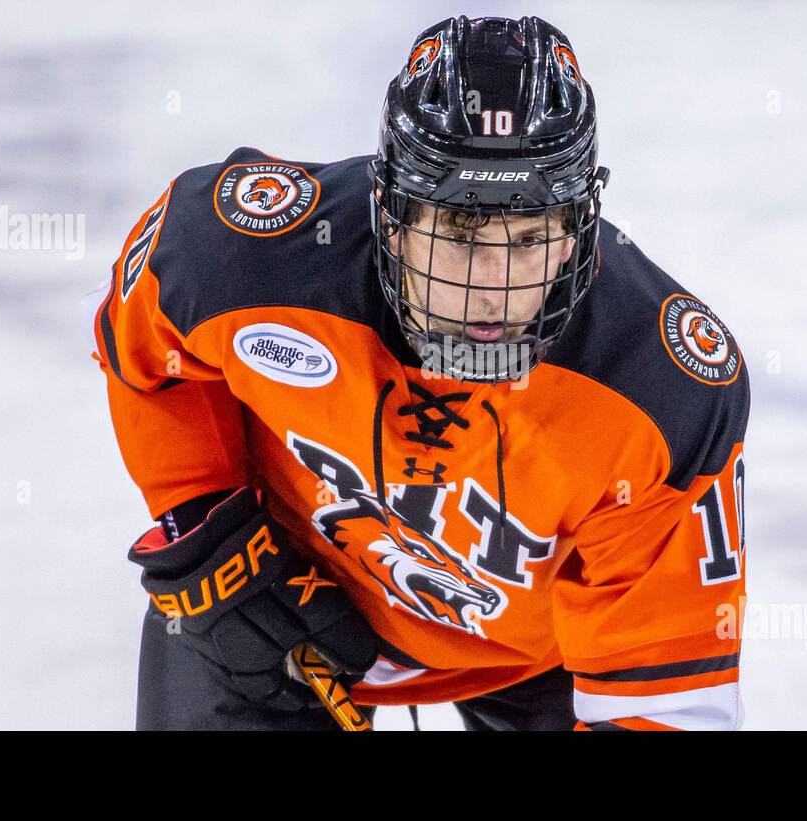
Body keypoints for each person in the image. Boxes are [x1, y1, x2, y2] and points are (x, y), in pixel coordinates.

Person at [91, 14, 750, 731]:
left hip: (533, 657)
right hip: (272, 600)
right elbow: (147, 342)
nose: (493, 285)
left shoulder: (660, 390)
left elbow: (660, 697)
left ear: (576, 234)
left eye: (530, 237)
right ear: (392, 213)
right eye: (462, 231)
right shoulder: (245, 257)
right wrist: (208, 521)